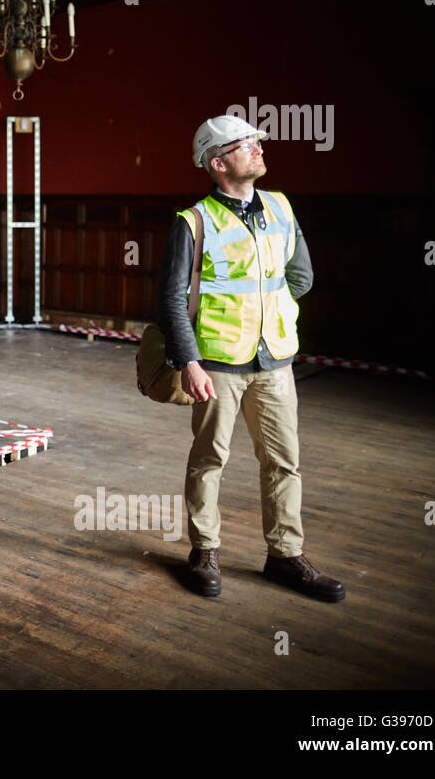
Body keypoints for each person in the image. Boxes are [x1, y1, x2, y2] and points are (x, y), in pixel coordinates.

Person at [156, 114, 345, 602]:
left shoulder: (281, 208)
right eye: (246, 144)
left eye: (257, 141)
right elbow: (173, 300)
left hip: (275, 361)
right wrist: (189, 362)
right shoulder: (194, 221)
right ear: (219, 163)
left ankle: (285, 555)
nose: (258, 149)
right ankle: (204, 552)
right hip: (217, 364)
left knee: (284, 461)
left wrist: (270, 318)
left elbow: (299, 278)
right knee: (209, 460)